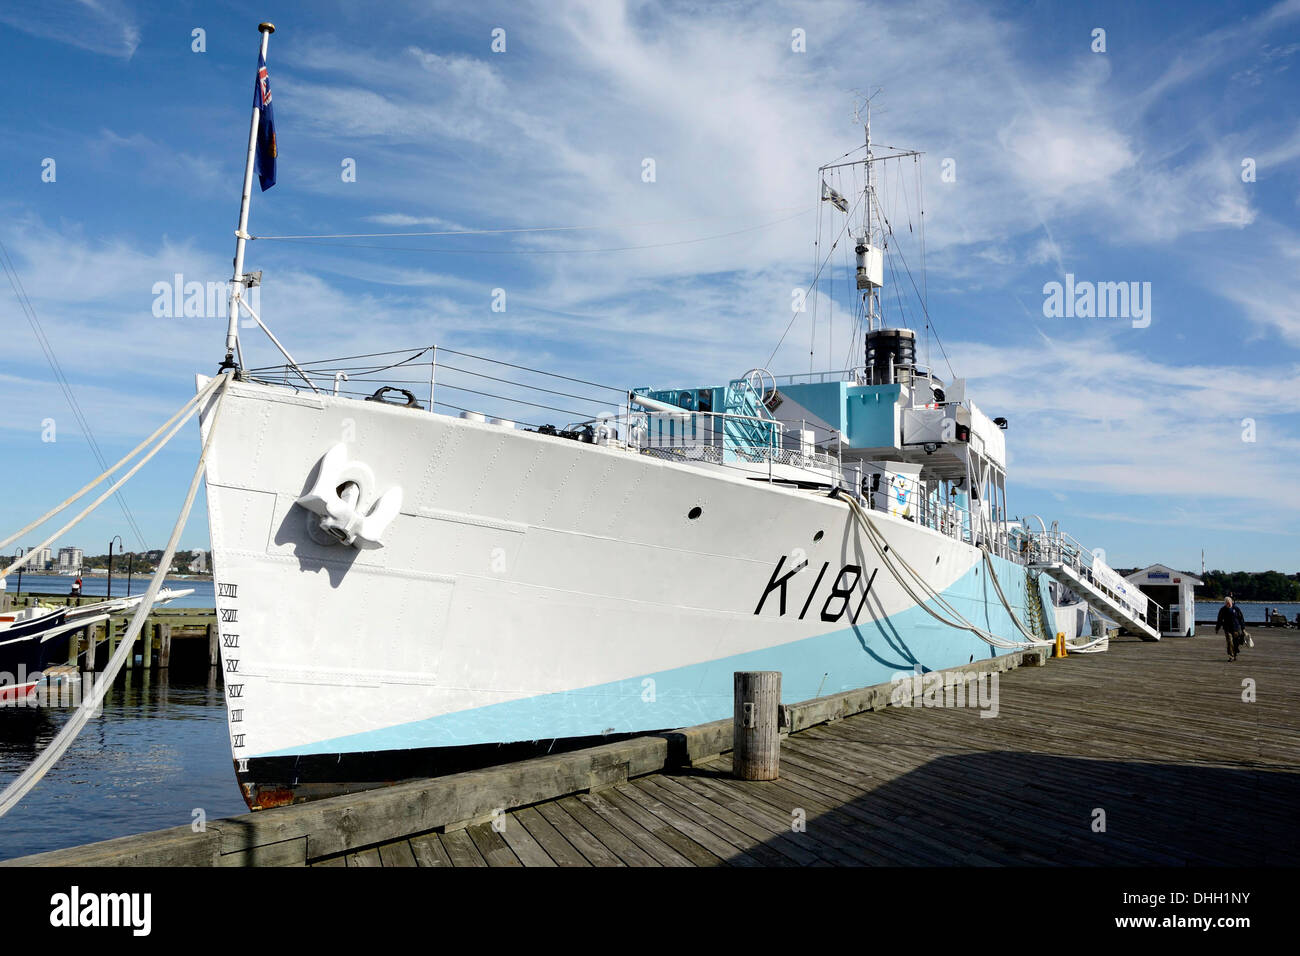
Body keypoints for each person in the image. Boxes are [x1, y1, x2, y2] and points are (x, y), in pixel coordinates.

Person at [1215, 596, 1246, 661]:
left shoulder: (1236, 609)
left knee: (1236, 642)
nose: (1228, 604)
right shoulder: (1223, 610)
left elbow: (1241, 619)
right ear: (1225, 603)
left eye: (1229, 603)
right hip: (1227, 629)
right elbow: (1219, 620)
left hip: (1236, 628)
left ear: (1231, 602)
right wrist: (1217, 628)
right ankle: (1231, 656)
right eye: (1226, 603)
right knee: (1229, 642)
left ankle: (1235, 654)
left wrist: (1243, 628)